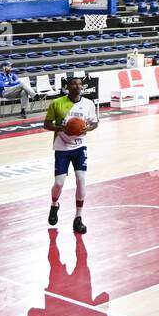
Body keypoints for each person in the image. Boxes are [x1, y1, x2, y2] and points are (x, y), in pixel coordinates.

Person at [43, 76, 100, 234]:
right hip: (62, 147)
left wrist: (87, 129)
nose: (77, 85)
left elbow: (95, 123)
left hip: (80, 147)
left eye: (80, 83)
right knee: (59, 183)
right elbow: (46, 124)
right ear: (68, 86)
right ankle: (54, 205)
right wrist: (60, 128)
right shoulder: (57, 103)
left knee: (81, 180)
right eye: (74, 83)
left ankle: (78, 218)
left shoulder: (88, 104)